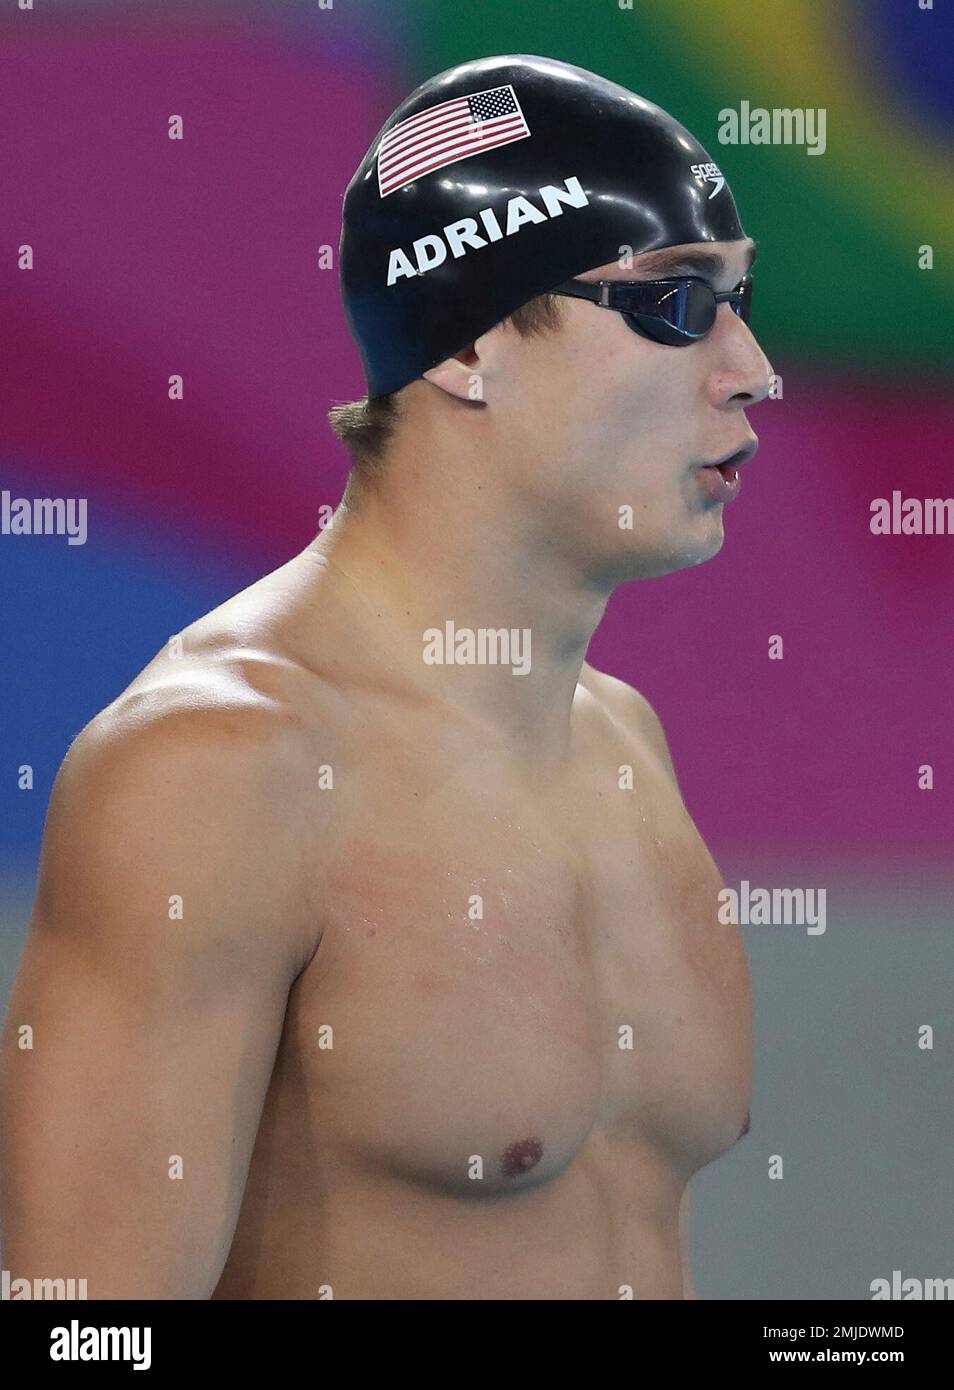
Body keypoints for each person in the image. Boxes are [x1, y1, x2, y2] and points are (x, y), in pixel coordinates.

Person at [0, 54, 771, 1300]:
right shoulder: (217, 768)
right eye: (676, 304)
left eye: (743, 300)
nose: (751, 368)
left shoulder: (621, 743)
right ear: (470, 345)